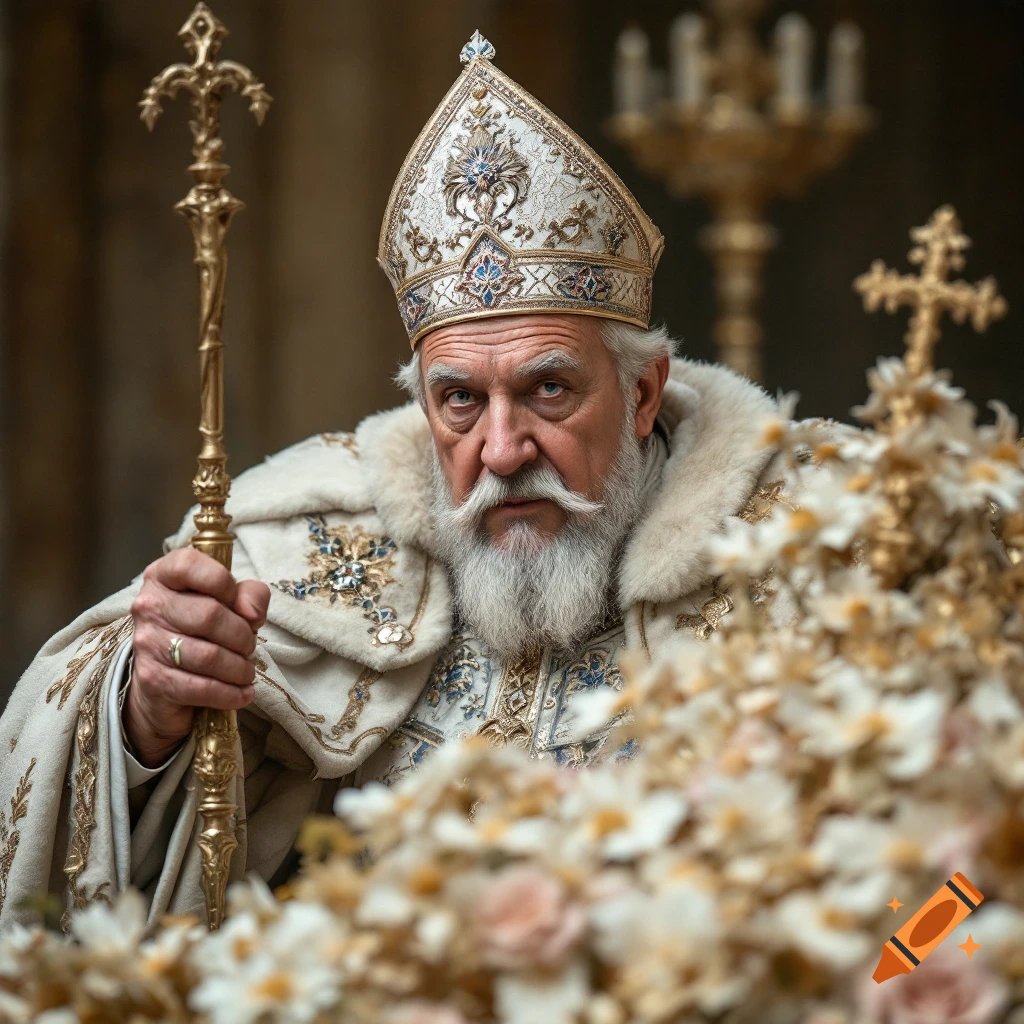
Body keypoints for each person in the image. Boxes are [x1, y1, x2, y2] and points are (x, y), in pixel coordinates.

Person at [0, 33, 786, 926]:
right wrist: (148, 713)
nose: (502, 450)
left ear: (642, 394)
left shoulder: (818, 545)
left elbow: (930, 887)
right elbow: (99, 866)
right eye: (461, 400)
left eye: (549, 389)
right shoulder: (304, 531)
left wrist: (887, 978)